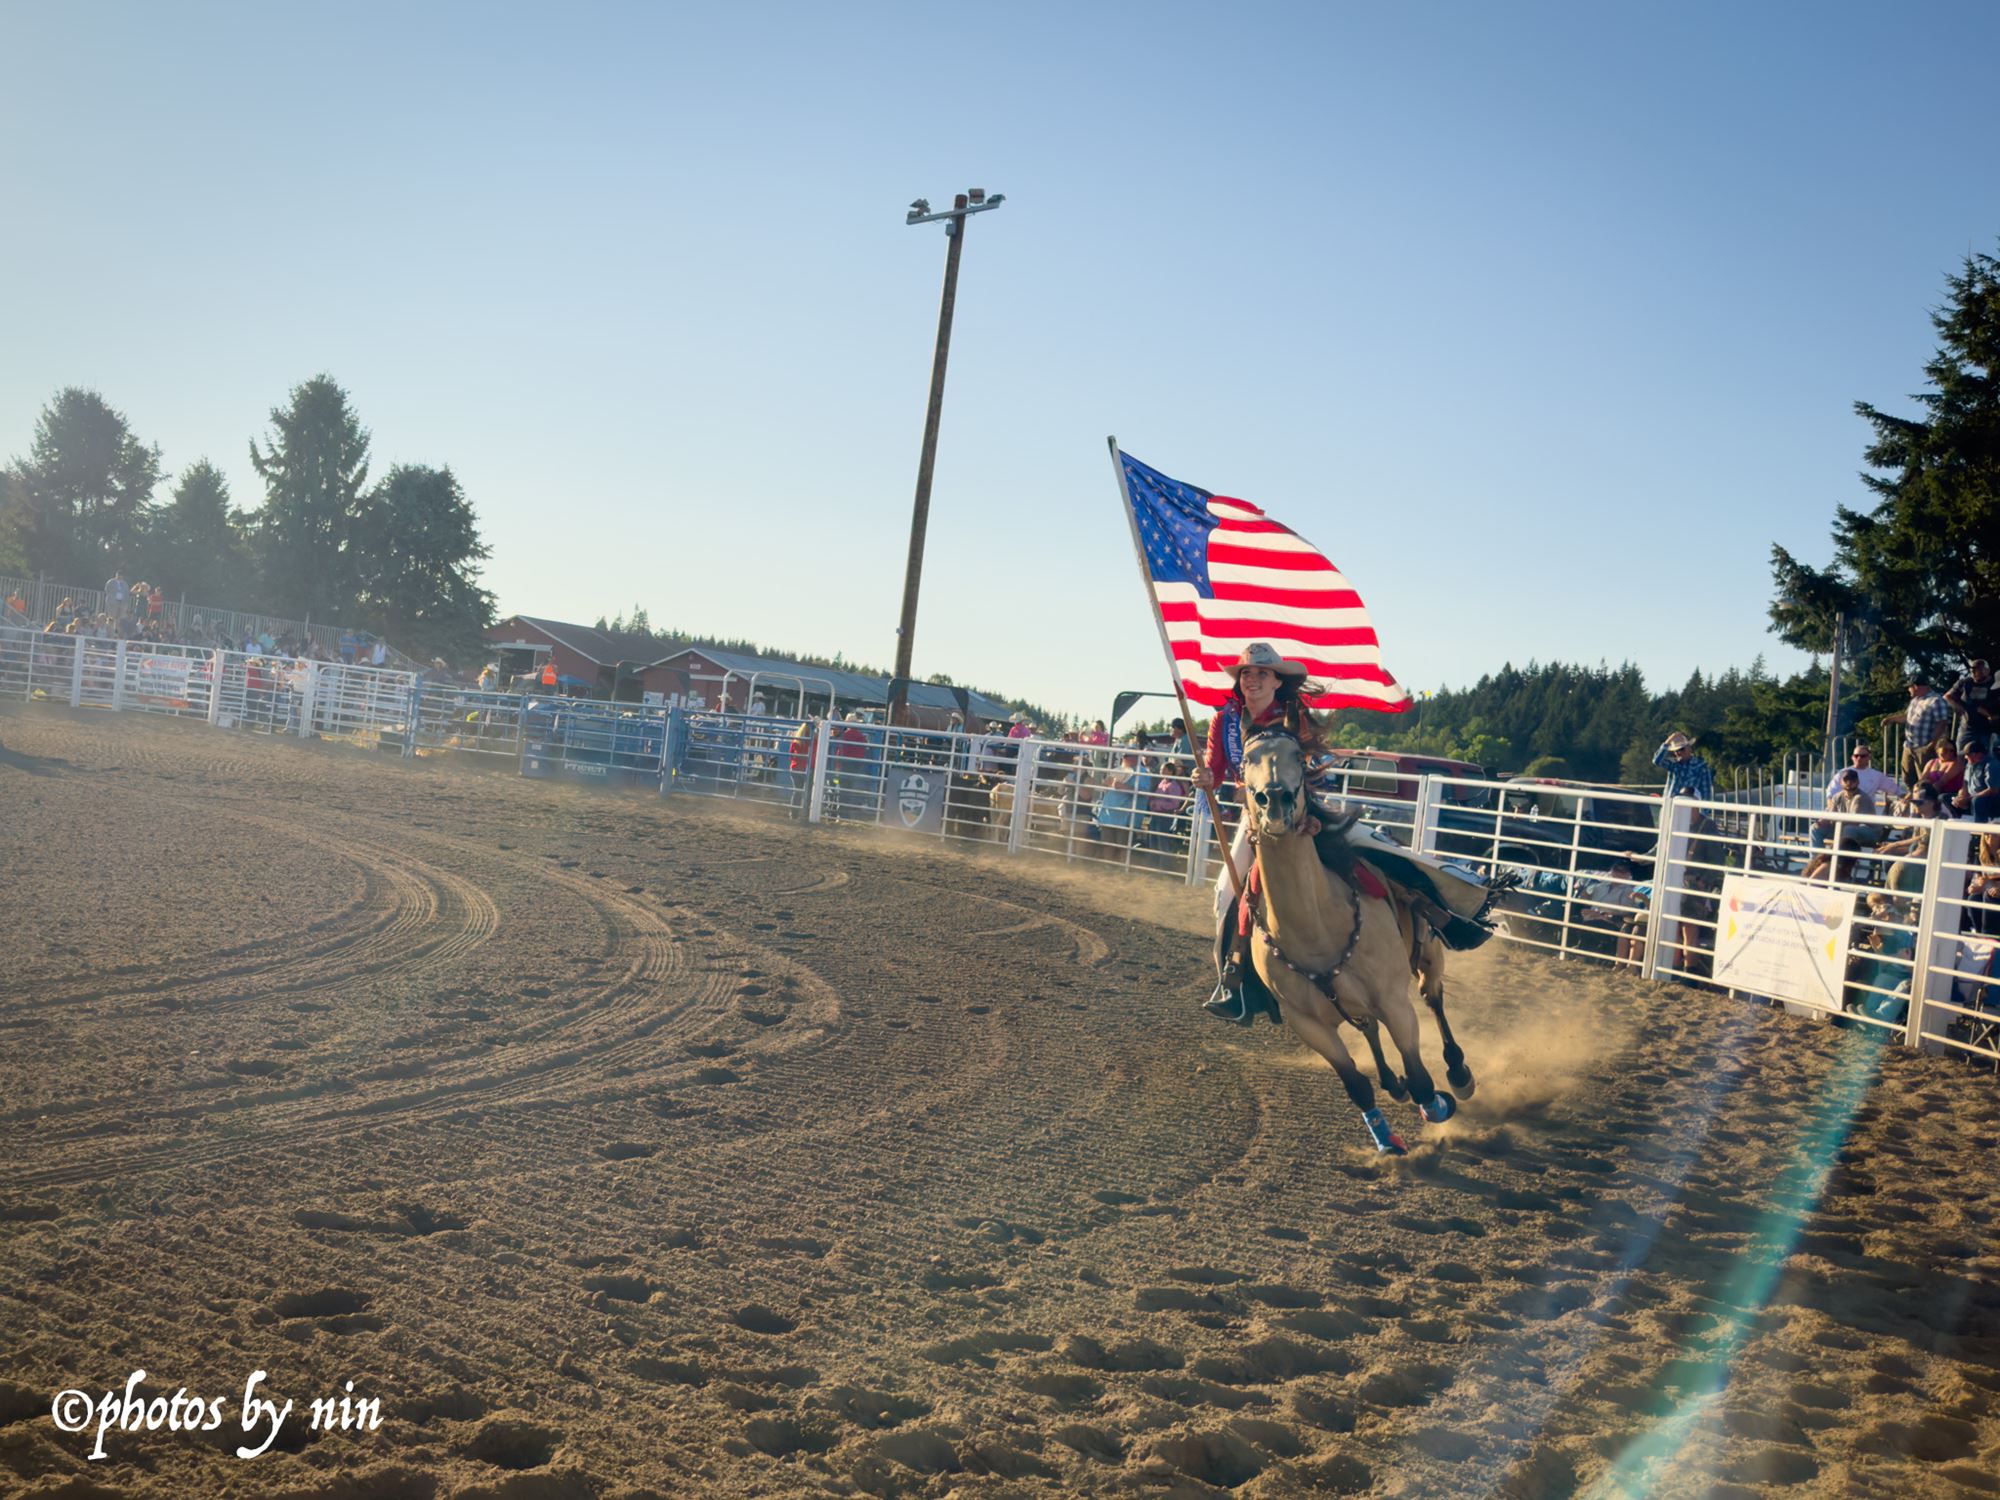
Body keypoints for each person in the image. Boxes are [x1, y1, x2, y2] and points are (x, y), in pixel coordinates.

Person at [1803, 769, 1876, 882]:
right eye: (1846, 779)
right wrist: (1821, 822)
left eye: (1852, 779)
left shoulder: (1860, 798)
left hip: (1869, 832)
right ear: (1841, 782)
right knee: (1815, 829)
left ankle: (1841, 869)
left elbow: (1854, 821)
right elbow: (1831, 814)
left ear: (1858, 782)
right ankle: (1816, 863)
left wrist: (1832, 819)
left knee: (1849, 829)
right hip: (1844, 829)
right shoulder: (1837, 796)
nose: (1849, 782)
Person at [1888, 677, 1955, 785]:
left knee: (1924, 780)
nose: (1908, 690)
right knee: (1908, 778)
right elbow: (1908, 717)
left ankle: (1925, 801)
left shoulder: (1936, 700)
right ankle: (1912, 799)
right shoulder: (1915, 700)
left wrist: (1932, 744)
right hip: (1909, 746)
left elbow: (1942, 723)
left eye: (1909, 687)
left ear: (1915, 686)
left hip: (1925, 746)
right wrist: (1891, 719)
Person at [1945, 659, 1996, 753]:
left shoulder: (1995, 684)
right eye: (1972, 669)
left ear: (1987, 670)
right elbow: (1948, 696)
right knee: (1961, 754)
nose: (1974, 672)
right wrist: (1959, 708)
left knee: (1985, 756)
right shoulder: (1965, 683)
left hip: (1988, 728)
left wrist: (1992, 715)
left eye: (1978, 669)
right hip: (1967, 726)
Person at [1652, 731, 1715, 802]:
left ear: (1689, 749)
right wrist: (1669, 740)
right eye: (1675, 750)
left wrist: (1703, 812)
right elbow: (1657, 761)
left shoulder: (1701, 766)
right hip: (1670, 805)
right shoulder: (1673, 764)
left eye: (1681, 749)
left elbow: (1706, 792)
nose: (1678, 752)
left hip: (1690, 807)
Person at [1959, 738, 1997, 823]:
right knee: (1945, 798)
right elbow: (1965, 782)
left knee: (1977, 801)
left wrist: (1969, 798)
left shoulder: (1991, 765)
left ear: (1978, 754)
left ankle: (1978, 831)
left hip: (1990, 800)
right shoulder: (1969, 765)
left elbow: (1993, 790)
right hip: (1971, 797)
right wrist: (1961, 796)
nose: (1965, 757)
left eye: (1967, 755)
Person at [1920, 738, 1967, 803]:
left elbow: (1941, 783)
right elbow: (1921, 781)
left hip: (1951, 795)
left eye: (1951, 750)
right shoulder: (1931, 762)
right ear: (1937, 750)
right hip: (1934, 792)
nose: (1949, 753)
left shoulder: (1956, 763)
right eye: (1945, 750)